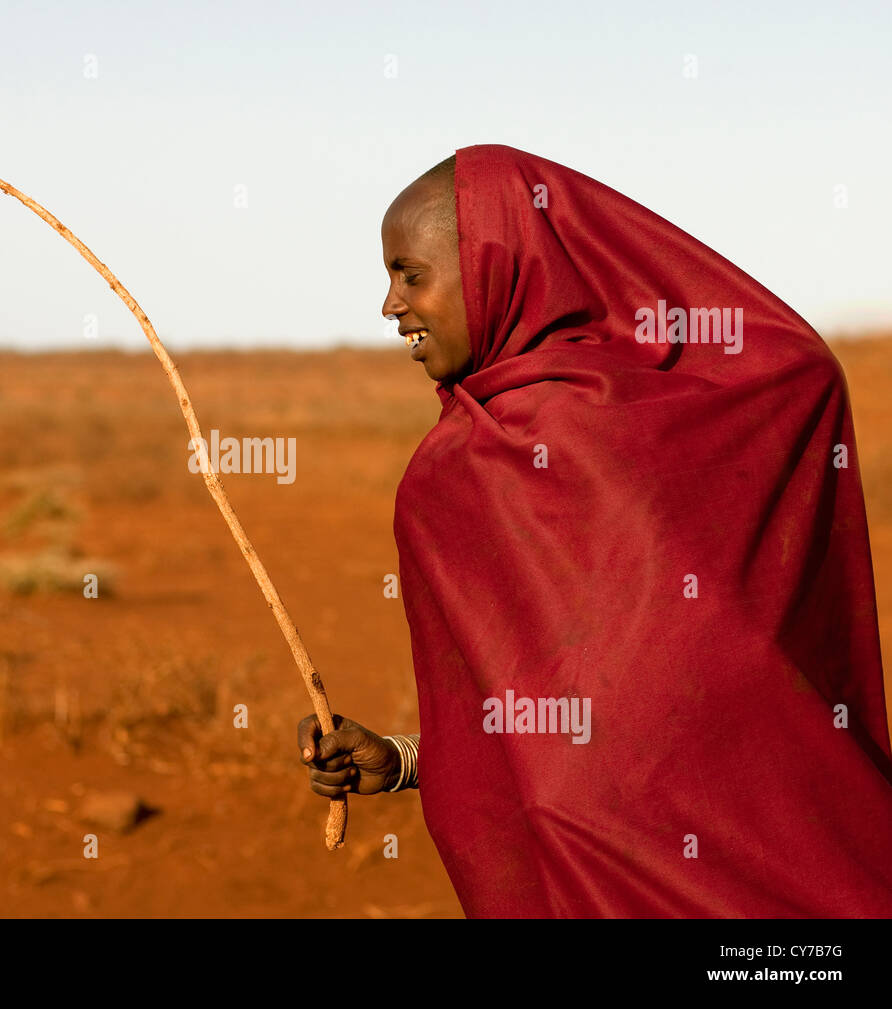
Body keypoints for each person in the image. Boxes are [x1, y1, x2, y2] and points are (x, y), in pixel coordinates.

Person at [298, 144, 892, 917]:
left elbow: (670, 696)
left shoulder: (483, 464)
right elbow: (554, 714)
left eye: (411, 274)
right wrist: (409, 761)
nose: (390, 305)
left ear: (495, 264)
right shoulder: (466, 472)